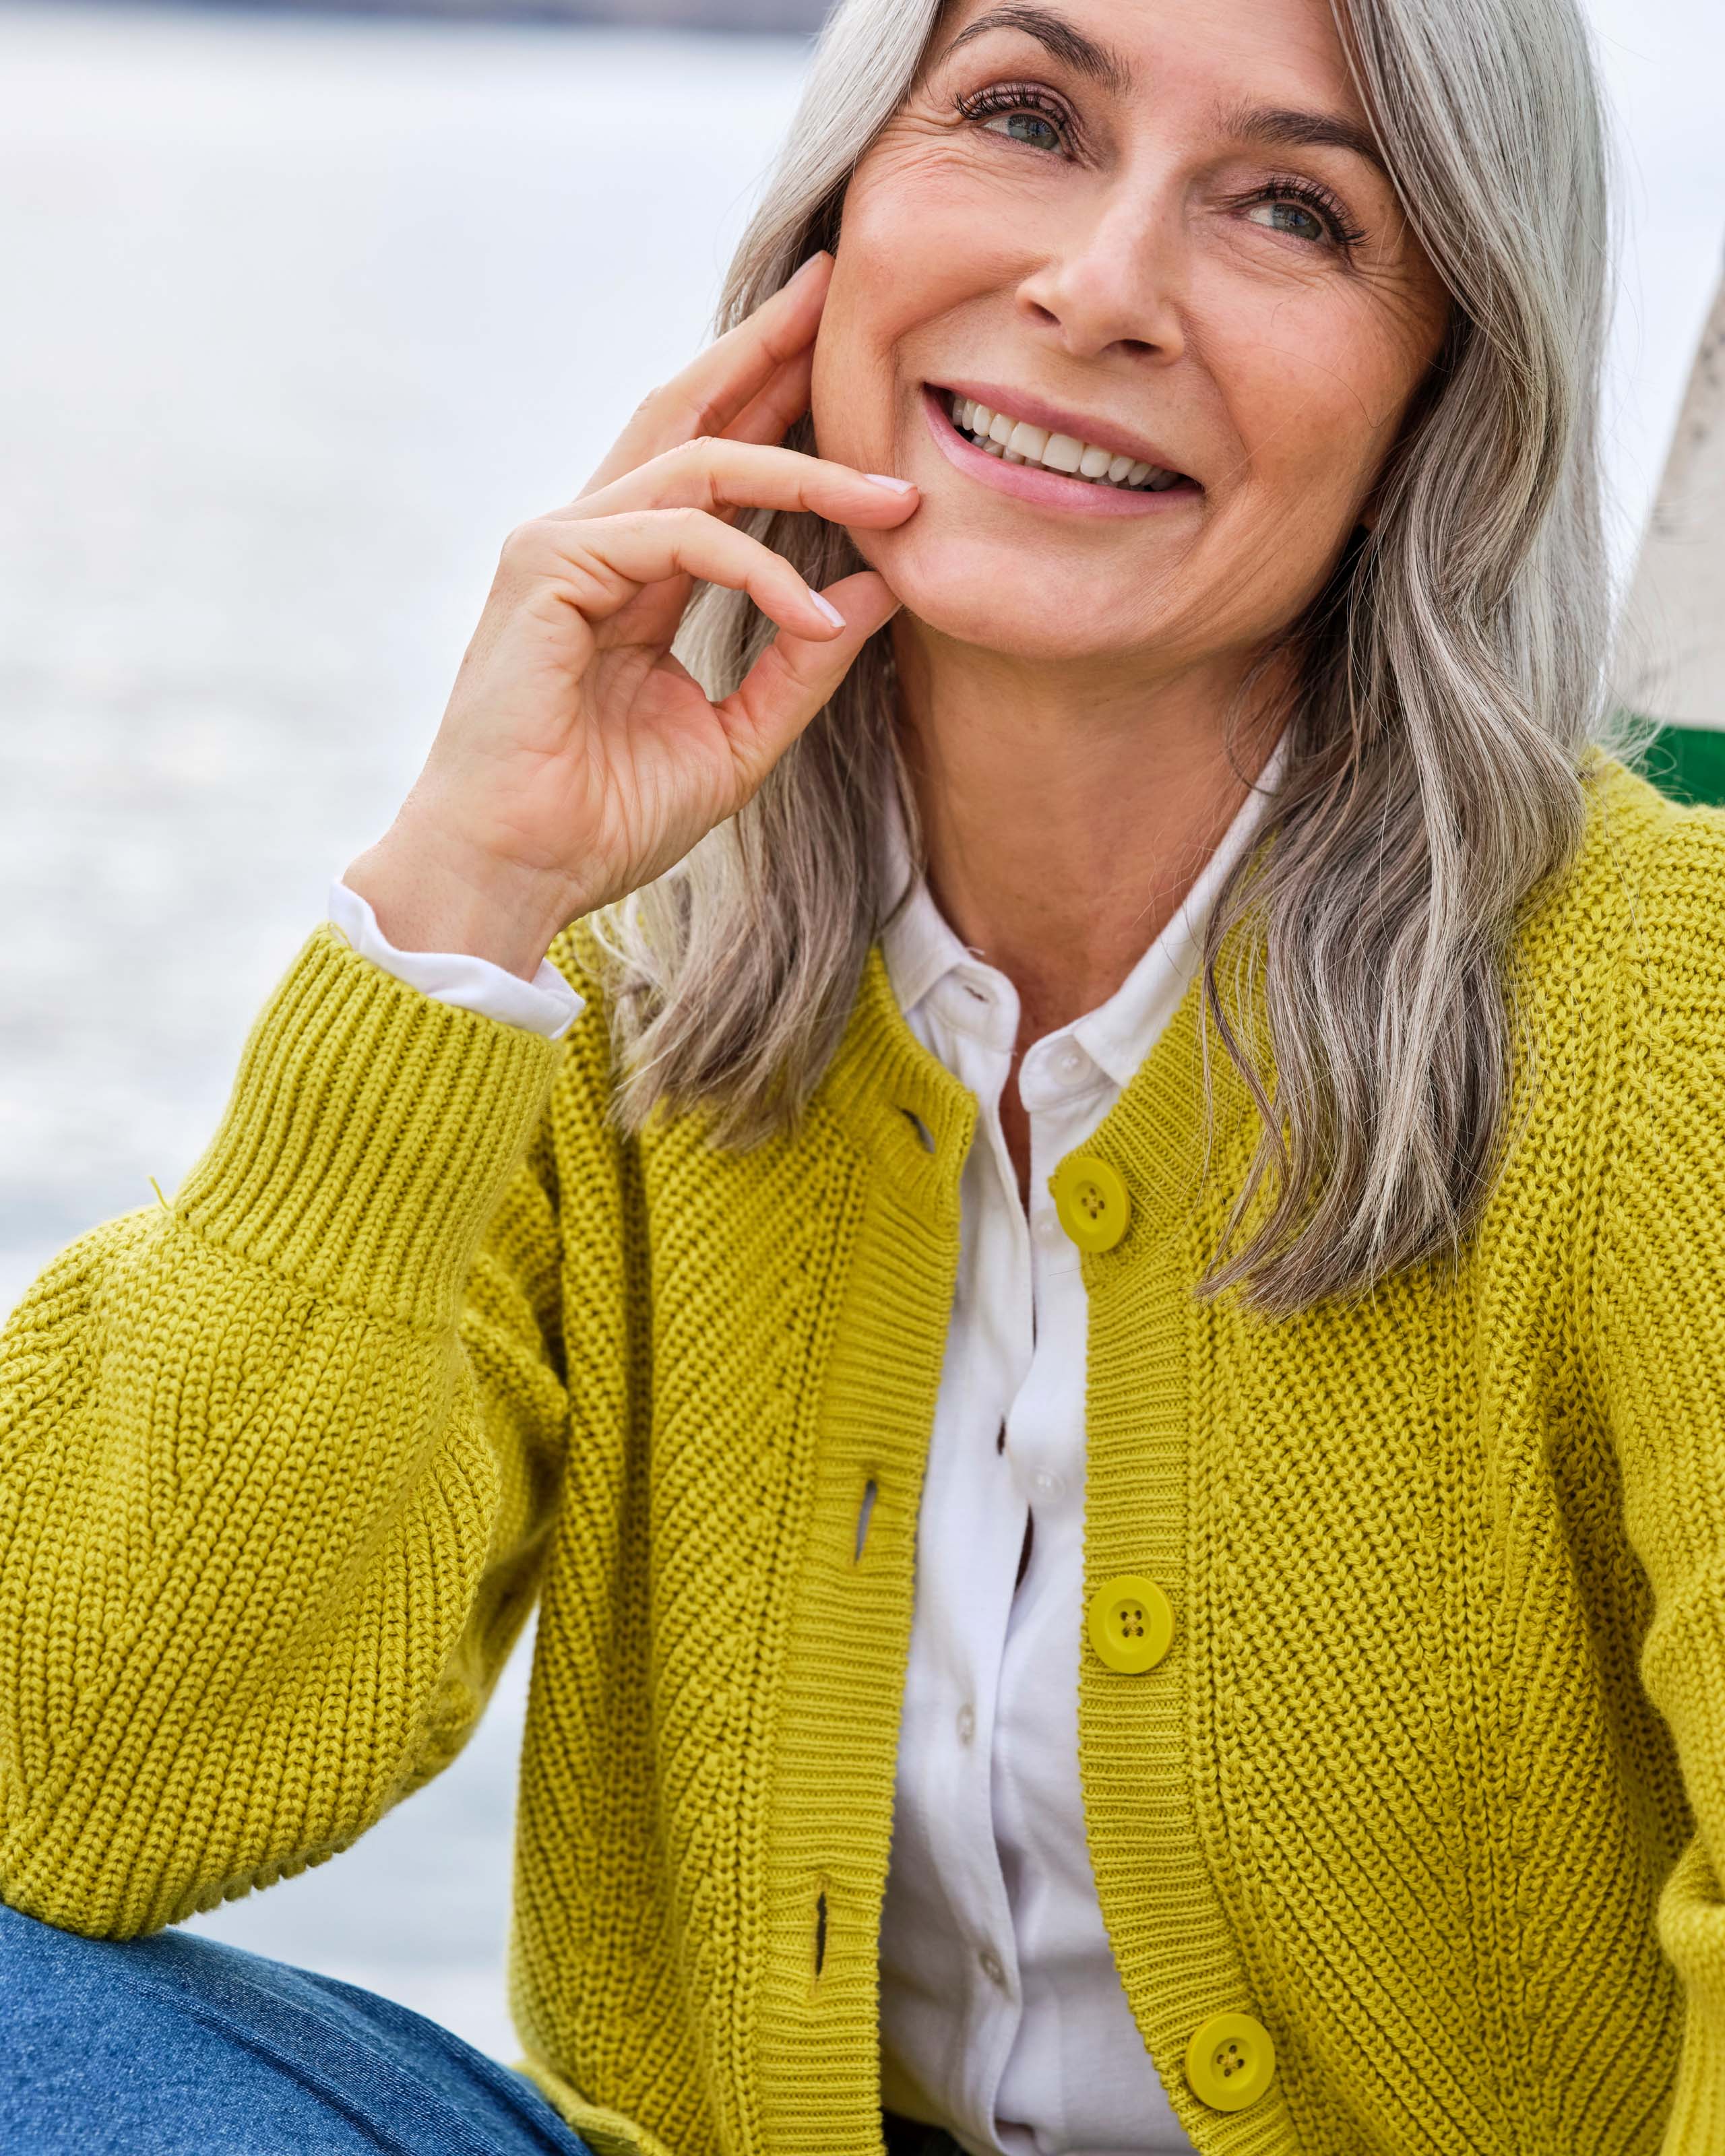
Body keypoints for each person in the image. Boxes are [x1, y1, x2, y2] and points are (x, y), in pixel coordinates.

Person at [0, 0, 1713, 2149]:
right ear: (829, 234)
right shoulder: (618, 981)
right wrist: (464, 892)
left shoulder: (1670, 1023)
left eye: (1292, 209)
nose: (1099, 288)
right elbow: (70, 1779)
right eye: (1021, 115)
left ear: (1443, 396)